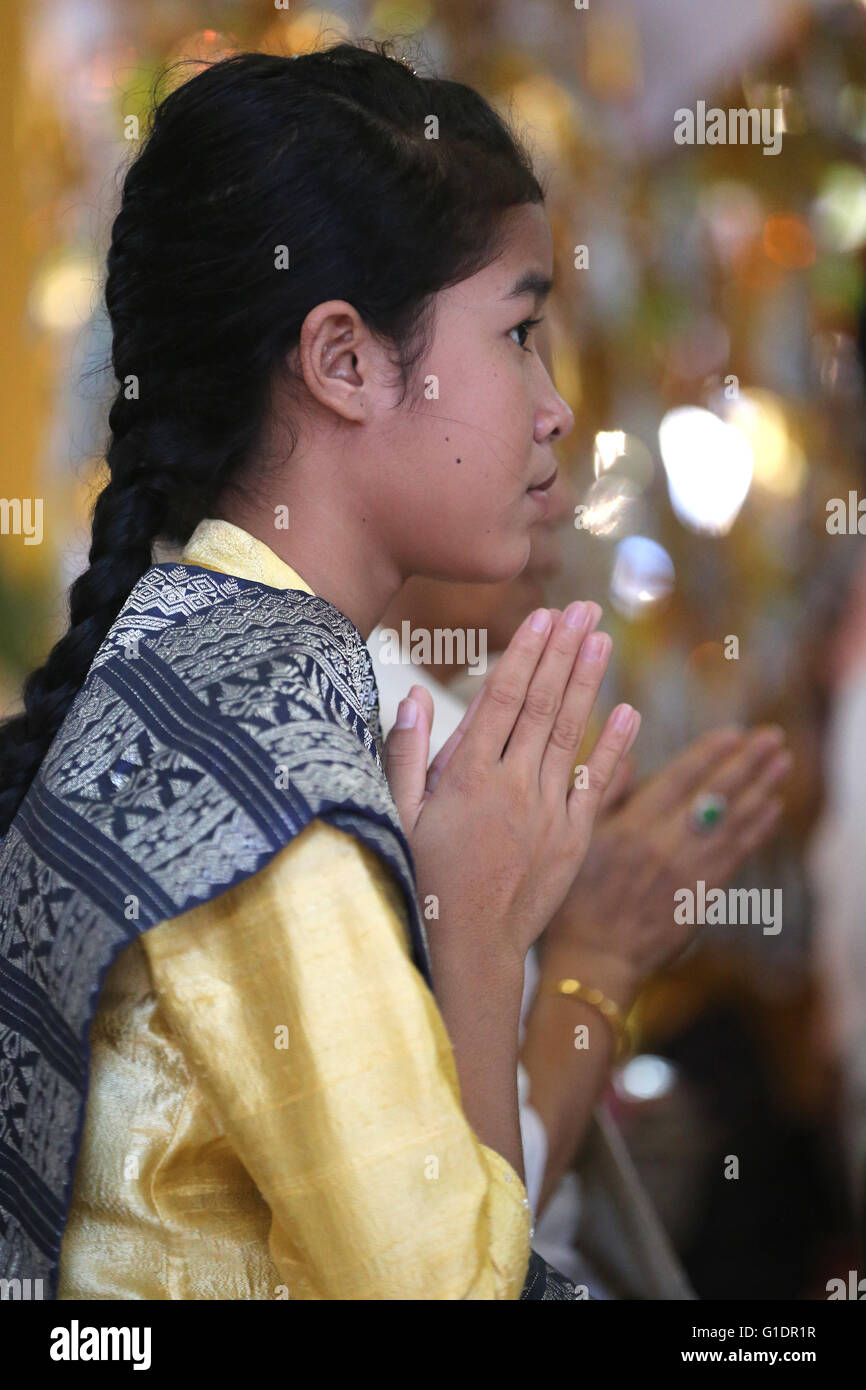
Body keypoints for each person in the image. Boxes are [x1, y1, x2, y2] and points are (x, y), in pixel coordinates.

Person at [0, 42, 643, 1299]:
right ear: (343, 360)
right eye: (518, 331)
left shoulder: (205, 673)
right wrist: (476, 929)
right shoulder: (266, 780)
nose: (555, 405)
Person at [371, 466, 792, 1294]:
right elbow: (477, 1241)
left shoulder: (405, 703)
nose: (561, 498)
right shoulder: (397, 744)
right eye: (516, 344)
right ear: (348, 371)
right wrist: (597, 956)